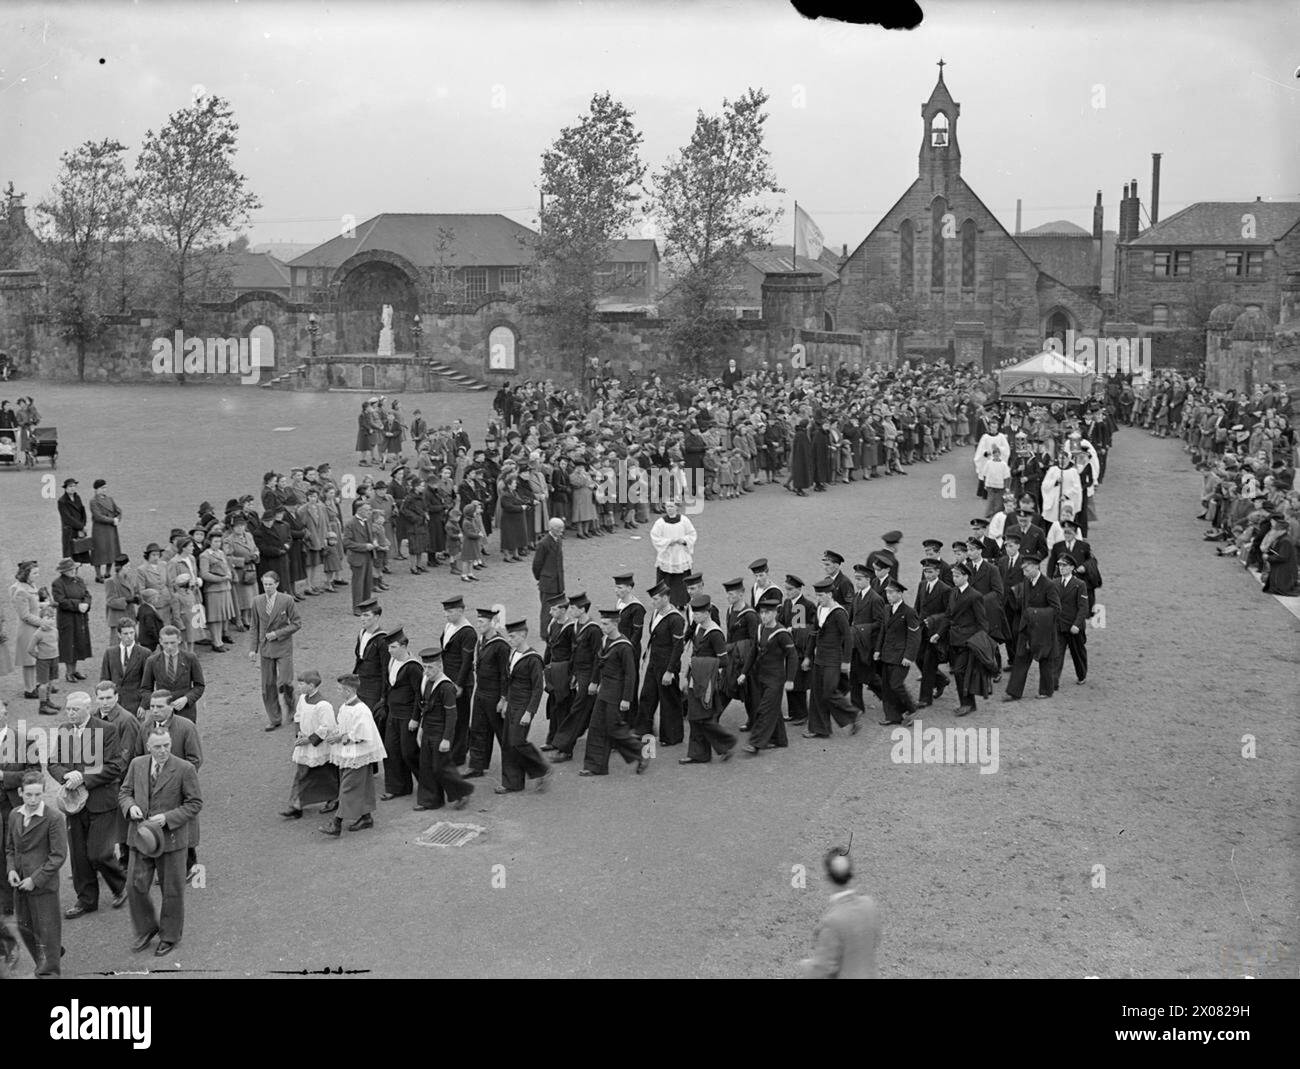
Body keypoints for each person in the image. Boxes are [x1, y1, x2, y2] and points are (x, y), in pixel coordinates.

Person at [119, 725, 202, 956]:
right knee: (134, 886)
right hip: (141, 838)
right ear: (148, 746)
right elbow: (124, 793)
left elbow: (195, 803)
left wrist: (167, 818)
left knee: (172, 890)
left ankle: (169, 936)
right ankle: (146, 928)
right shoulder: (137, 765)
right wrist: (131, 807)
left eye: (167, 745)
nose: (163, 750)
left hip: (172, 841)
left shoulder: (185, 769)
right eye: (158, 746)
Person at [49, 691, 127, 919]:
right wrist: (67, 776)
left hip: (101, 800)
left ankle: (120, 885)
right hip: (74, 803)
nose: (70, 713)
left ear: (86, 708)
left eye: (74, 709)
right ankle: (86, 900)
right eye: (68, 709)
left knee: (99, 853)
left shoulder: (106, 730)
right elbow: (53, 763)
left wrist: (83, 777)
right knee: (79, 856)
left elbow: (115, 766)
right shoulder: (64, 730)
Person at [6, 770, 67, 976]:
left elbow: (58, 856)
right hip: (20, 887)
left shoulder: (54, 818)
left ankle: (48, 971)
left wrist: (35, 879)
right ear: (20, 792)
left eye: (38, 795)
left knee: (47, 932)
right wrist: (11, 869)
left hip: (43, 887)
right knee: (28, 931)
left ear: (44, 793)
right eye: (29, 794)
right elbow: (10, 848)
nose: (33, 800)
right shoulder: (15, 815)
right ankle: (46, 959)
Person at [581, 609, 652, 776]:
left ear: (615, 624)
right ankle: (595, 766)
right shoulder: (605, 641)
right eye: (601, 623)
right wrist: (594, 681)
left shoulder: (624, 647)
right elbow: (599, 662)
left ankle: (642, 753)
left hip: (616, 693)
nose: (602, 626)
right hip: (604, 690)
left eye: (605, 624)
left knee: (614, 728)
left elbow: (630, 674)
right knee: (596, 727)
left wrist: (626, 699)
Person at [797, 846, 881, 979]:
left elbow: (821, 970)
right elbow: (874, 941)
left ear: (828, 878)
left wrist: (807, 966)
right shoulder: (869, 905)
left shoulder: (832, 922)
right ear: (851, 874)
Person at [321, 674, 386, 835]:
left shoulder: (361, 710)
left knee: (347, 787)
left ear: (348, 690)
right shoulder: (345, 707)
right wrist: (334, 733)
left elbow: (362, 734)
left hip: (358, 755)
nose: (338, 692)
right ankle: (366, 817)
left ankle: (336, 823)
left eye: (340, 689)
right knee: (360, 787)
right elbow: (342, 727)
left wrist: (341, 737)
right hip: (347, 753)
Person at [412, 649, 473, 811]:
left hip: (441, 732)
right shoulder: (426, 682)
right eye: (424, 667)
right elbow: (425, 708)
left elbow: (452, 715)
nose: (426, 672)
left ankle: (462, 792)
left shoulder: (446, 687)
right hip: (428, 729)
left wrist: (446, 738)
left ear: (440, 666)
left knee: (441, 766)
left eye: (430, 668)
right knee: (426, 766)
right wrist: (421, 728)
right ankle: (430, 801)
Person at [679, 595, 736, 765]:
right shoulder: (698, 627)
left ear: (707, 613)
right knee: (697, 716)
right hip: (696, 677)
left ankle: (724, 743)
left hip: (708, 681)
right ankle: (704, 752)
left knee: (700, 716)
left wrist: (696, 664)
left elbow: (724, 661)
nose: (694, 617)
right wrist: (686, 674)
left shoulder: (715, 633)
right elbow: (694, 654)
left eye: (698, 614)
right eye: (693, 613)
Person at [497, 619, 553, 793]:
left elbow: (537, 689)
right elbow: (508, 680)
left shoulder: (534, 659)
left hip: (524, 706)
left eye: (512, 636)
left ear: (523, 635)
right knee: (507, 743)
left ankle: (542, 768)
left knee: (517, 742)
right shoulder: (513, 654)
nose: (509, 639)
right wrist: (504, 700)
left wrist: (529, 712)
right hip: (512, 703)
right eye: (509, 636)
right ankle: (512, 783)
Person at [742, 588, 797, 754]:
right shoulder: (760, 629)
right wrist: (744, 672)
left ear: (774, 614)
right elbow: (753, 651)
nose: (763, 616)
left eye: (767, 613)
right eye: (761, 613)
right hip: (762, 677)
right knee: (772, 709)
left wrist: (790, 680)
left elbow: (792, 656)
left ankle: (756, 742)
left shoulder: (782, 633)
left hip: (776, 679)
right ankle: (780, 739)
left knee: (765, 709)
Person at [805, 576, 860, 738]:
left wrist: (846, 661)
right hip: (819, 658)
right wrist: (808, 656)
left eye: (821, 596)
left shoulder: (839, 613)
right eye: (817, 595)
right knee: (816, 693)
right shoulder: (820, 609)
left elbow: (848, 638)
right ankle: (819, 729)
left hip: (834, 659)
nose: (818, 598)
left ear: (829, 594)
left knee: (829, 692)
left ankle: (853, 714)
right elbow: (814, 634)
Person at [549, 593, 602, 763]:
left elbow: (598, 657)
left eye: (572, 608)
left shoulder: (593, 629)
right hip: (579, 673)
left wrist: (594, 681)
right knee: (595, 711)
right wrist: (572, 674)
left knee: (578, 710)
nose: (570, 611)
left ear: (582, 609)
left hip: (588, 675)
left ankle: (564, 748)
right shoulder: (576, 626)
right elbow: (574, 653)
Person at [1002, 552, 1061, 702]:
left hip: (1044, 630)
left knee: (1045, 660)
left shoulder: (1049, 585)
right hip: (1027, 629)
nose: (1024, 573)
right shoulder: (1027, 582)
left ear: (1036, 567)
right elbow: (1023, 606)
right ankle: (1013, 692)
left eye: (1027, 570)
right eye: (1023, 570)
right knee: (1021, 658)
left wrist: (1034, 613)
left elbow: (1056, 609)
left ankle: (1046, 690)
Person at [936, 561, 992, 717]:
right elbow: (948, 616)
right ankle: (967, 703)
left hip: (968, 642)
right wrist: (938, 633)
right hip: (954, 639)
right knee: (959, 672)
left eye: (958, 576)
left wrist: (979, 642)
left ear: (966, 577)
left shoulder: (975, 596)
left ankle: (967, 704)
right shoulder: (953, 593)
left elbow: (982, 622)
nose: (955, 579)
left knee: (960, 671)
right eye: (953, 576)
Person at [281, 671, 340, 820]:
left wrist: (309, 739)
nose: (298, 687)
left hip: (319, 746)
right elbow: (298, 716)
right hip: (306, 744)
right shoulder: (302, 699)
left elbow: (327, 727)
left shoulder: (323, 705)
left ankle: (333, 798)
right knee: (303, 773)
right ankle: (296, 805)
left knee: (325, 773)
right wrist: (299, 733)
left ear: (312, 685)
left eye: (301, 684)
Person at [248, 570, 302, 731]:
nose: (268, 587)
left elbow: (296, 623)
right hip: (265, 649)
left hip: (283, 646)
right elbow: (254, 626)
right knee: (267, 685)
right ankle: (274, 718)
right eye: (265, 584)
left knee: (285, 681)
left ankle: (292, 709)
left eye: (270, 584)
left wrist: (277, 634)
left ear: (277, 584)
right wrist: (253, 649)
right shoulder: (257, 601)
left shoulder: (286, 600)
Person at [634, 581, 686, 746]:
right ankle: (642, 729)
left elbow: (678, 647)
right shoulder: (657, 613)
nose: (653, 602)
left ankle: (672, 736)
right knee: (647, 695)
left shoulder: (676, 619)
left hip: (667, 664)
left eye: (656, 599)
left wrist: (670, 671)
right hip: (654, 661)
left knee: (668, 700)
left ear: (666, 598)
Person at [379, 629, 423, 801]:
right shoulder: (392, 661)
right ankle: (398, 787)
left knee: (409, 752)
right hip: (393, 714)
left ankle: (429, 784)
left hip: (407, 716)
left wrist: (415, 718)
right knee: (391, 750)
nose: (390, 650)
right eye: (389, 647)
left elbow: (419, 694)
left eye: (394, 647)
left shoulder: (413, 667)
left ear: (404, 646)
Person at [466, 609, 510, 779]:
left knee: (501, 733)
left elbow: (505, 675)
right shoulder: (481, 641)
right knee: (477, 729)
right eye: (477, 622)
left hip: (494, 695)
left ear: (491, 623)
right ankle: (477, 766)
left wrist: (503, 698)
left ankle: (513, 767)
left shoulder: (501, 645)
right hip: (480, 692)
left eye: (482, 623)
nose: (479, 626)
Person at [874, 578, 921, 725]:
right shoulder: (887, 609)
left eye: (892, 593)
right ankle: (892, 716)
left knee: (896, 685)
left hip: (901, 657)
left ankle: (911, 708)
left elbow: (914, 636)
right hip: (887, 654)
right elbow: (883, 631)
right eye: (887, 593)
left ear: (900, 594)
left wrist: (909, 656)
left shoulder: (909, 612)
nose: (888, 596)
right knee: (887, 687)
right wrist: (877, 650)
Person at [439, 595, 477, 766]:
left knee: (460, 718)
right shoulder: (450, 626)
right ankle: (461, 747)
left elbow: (466, 660)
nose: (447, 615)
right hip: (448, 676)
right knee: (452, 716)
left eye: (450, 611)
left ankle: (459, 755)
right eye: (446, 611)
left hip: (461, 681)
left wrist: (459, 684)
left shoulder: (468, 632)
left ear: (461, 611)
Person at [141, 626, 206, 724]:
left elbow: (199, 686)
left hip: (186, 712)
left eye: (172, 643)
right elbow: (145, 689)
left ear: (179, 640)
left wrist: (186, 699)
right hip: (162, 714)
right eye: (166, 643)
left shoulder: (190, 658)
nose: (169, 647)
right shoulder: (152, 661)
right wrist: (158, 704)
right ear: (160, 641)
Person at [913, 558, 952, 708]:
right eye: (925, 572)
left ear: (938, 572)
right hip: (922, 630)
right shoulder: (922, 585)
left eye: (930, 572)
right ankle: (941, 680)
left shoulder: (945, 589)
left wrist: (934, 620)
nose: (927, 575)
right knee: (918, 659)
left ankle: (925, 698)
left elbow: (948, 613)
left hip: (936, 633)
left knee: (928, 664)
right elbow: (917, 607)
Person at [51, 558, 93, 682]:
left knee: (79, 642)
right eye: (69, 569)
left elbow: (87, 594)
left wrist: (86, 604)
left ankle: (74, 671)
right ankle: (69, 672)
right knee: (69, 644)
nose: (73, 571)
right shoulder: (58, 583)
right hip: (67, 619)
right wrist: (78, 605)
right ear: (63, 571)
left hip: (80, 618)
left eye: (73, 568)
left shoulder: (79, 580)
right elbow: (60, 600)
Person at [649, 499, 697, 608]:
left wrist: (684, 540)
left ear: (676, 507)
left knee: (681, 581)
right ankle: (664, 603)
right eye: (667, 506)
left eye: (672, 506)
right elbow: (655, 537)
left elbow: (692, 534)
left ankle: (681, 602)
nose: (669, 509)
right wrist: (668, 542)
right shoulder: (660, 523)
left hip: (680, 555)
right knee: (666, 581)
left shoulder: (684, 520)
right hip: (667, 555)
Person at [1051, 554, 1090, 688]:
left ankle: (1081, 675)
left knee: (1077, 653)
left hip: (1074, 627)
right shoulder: (1054, 582)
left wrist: (1076, 625)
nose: (1061, 568)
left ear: (1072, 567)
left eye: (1064, 565)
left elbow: (1083, 607)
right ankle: (1053, 681)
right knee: (1057, 654)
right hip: (1059, 626)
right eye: (1060, 565)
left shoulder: (1080, 585)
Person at [9, 561, 43, 699]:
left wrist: (45, 604)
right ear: (26, 574)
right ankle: (29, 689)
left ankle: (34, 685)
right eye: (34, 573)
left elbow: (34, 604)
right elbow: (25, 616)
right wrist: (43, 622)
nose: (37, 575)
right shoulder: (20, 591)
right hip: (28, 629)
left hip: (34, 628)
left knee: (34, 659)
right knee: (29, 662)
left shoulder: (30, 586)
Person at [531, 518, 566, 633]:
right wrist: (541, 578)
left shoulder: (558, 539)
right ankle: (545, 633)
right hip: (548, 583)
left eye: (562, 527)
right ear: (551, 528)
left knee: (560, 607)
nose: (561, 530)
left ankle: (557, 629)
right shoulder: (544, 543)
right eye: (559, 528)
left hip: (558, 582)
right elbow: (537, 564)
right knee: (547, 610)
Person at [343, 501, 378, 612]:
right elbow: (347, 542)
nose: (370, 512)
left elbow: (371, 535)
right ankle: (357, 607)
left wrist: (374, 542)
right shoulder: (350, 523)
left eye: (370, 509)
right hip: (357, 557)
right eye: (367, 510)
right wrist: (364, 546)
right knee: (358, 583)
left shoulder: (367, 521)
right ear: (359, 510)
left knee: (367, 582)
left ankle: (366, 606)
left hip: (368, 555)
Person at [89, 478, 123, 583]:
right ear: (96, 489)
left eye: (105, 488)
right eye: (102, 488)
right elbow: (98, 516)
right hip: (100, 529)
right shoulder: (93, 501)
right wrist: (113, 520)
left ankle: (108, 573)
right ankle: (98, 575)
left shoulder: (110, 499)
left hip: (110, 529)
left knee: (111, 550)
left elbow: (118, 510)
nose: (104, 490)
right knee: (98, 552)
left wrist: (118, 518)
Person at [103, 553, 141, 645]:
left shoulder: (129, 579)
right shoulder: (111, 581)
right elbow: (110, 601)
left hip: (130, 616)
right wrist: (127, 600)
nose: (129, 568)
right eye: (127, 566)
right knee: (118, 648)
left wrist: (138, 598)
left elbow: (136, 591)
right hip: (117, 619)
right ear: (121, 568)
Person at [57, 478, 87, 559]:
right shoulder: (62, 501)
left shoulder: (77, 497)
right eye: (70, 486)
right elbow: (67, 518)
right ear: (66, 488)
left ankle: (76, 571)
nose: (73, 488)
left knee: (79, 555)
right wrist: (81, 527)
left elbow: (83, 512)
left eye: (74, 486)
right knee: (69, 556)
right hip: (69, 531)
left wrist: (83, 526)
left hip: (79, 530)